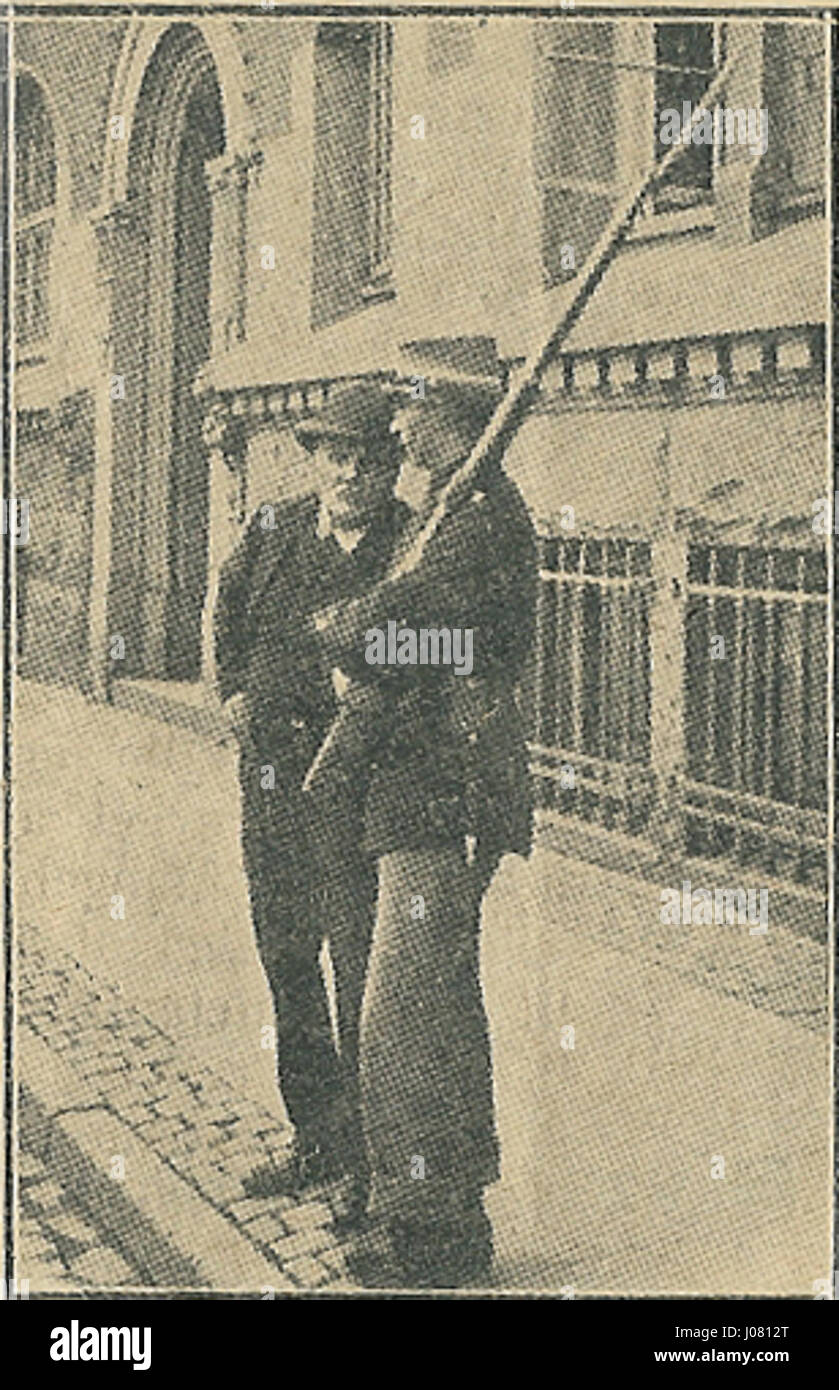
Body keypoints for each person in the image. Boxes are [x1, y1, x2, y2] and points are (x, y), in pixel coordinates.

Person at [311, 366, 538, 1285]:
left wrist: (346, 631)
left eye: (410, 409)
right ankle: (443, 1218)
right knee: (428, 1009)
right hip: (418, 794)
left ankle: (430, 1235)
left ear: (450, 415)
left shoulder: (477, 516)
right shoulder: (452, 503)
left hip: (448, 794)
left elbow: (439, 635)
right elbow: (438, 639)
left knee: (403, 1017)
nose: (397, 428)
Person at [213, 381, 408, 1201]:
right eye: (334, 454)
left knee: (358, 967)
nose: (348, 471)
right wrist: (230, 689)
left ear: (390, 468)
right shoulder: (274, 527)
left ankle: (367, 1156)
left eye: (365, 459)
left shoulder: (407, 546)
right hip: (271, 782)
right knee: (287, 958)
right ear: (316, 459)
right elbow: (226, 609)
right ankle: (315, 1138)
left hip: (353, 792)